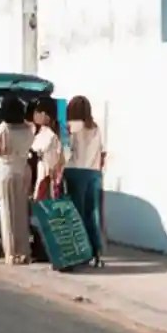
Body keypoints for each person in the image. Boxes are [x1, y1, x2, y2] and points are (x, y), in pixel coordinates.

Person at [0, 94, 35, 264]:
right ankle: (25, 252)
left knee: (7, 211)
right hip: (23, 169)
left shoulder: (3, 128)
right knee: (21, 212)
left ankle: (11, 254)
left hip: (6, 170)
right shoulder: (28, 127)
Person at [63, 95, 106, 268]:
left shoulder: (70, 127)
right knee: (91, 214)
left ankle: (80, 252)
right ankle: (96, 252)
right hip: (94, 172)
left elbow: (67, 151)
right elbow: (102, 151)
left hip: (75, 171)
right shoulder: (95, 128)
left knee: (77, 214)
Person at [29, 96, 64, 201]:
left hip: (47, 173)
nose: (34, 116)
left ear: (44, 114)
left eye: (36, 113)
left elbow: (34, 147)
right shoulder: (54, 132)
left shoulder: (48, 133)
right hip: (49, 173)